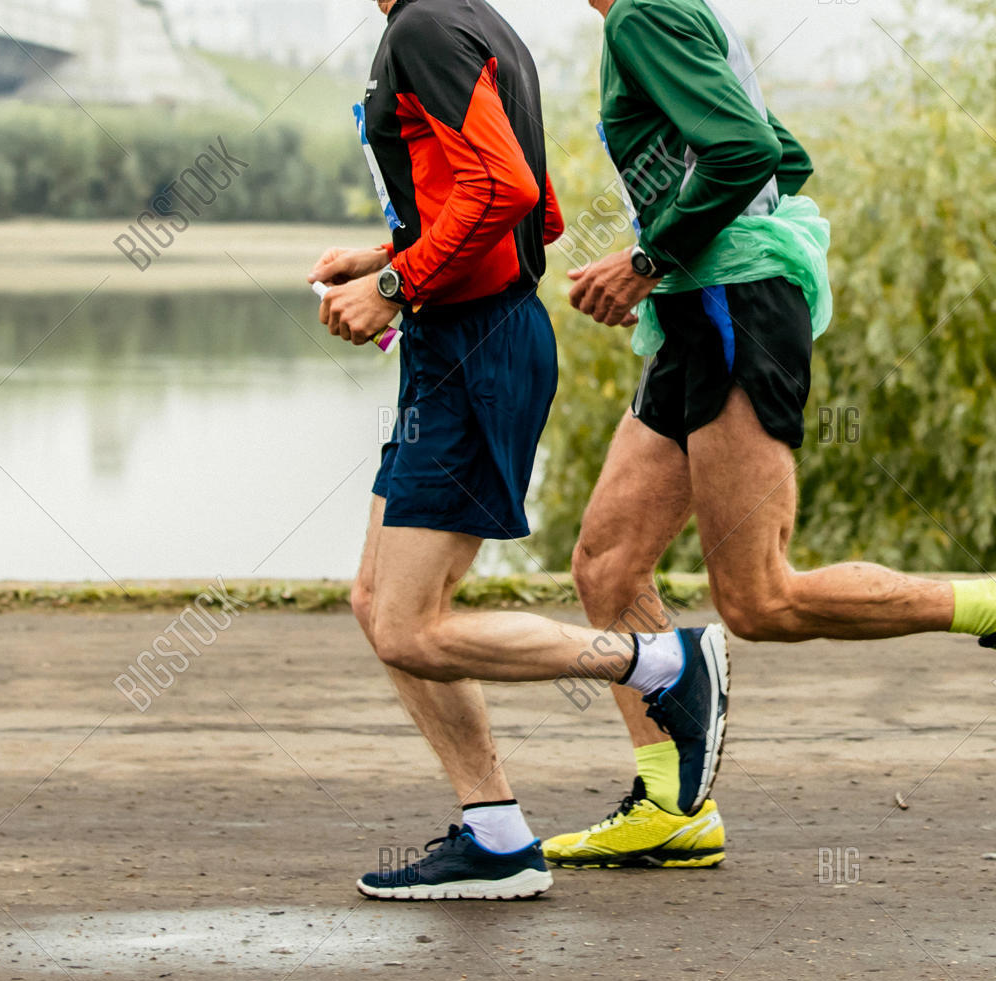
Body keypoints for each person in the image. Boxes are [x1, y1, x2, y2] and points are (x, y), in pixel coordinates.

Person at [542, 0, 996, 870]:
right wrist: (683, 257)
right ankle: (670, 805)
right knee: (606, 565)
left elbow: (747, 153)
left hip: (731, 307)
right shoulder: (664, 14)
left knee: (759, 599)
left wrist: (647, 260)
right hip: (700, 308)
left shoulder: (642, 13)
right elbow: (781, 148)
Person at [310, 0, 731, 901]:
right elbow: (538, 217)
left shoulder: (424, 29)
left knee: (409, 624)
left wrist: (394, 283)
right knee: (378, 601)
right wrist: (390, 251)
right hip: (457, 341)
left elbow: (506, 192)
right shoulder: (477, 22)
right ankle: (495, 832)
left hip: (471, 348)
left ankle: (659, 662)